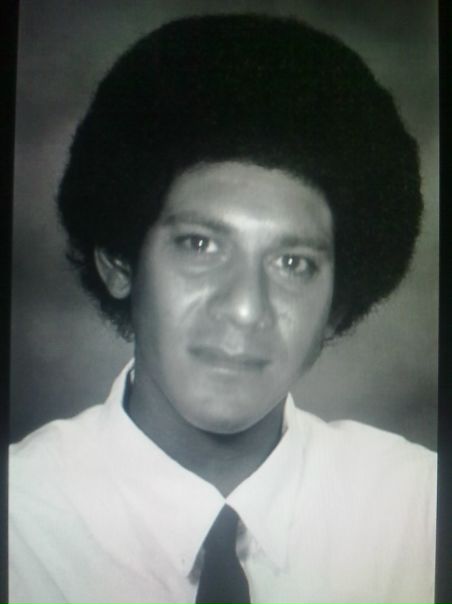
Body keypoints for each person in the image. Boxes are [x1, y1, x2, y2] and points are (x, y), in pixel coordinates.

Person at [9, 14, 436, 604]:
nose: (245, 308)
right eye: (200, 245)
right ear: (119, 262)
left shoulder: (418, 514)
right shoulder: (20, 522)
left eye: (293, 263)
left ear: (337, 307)